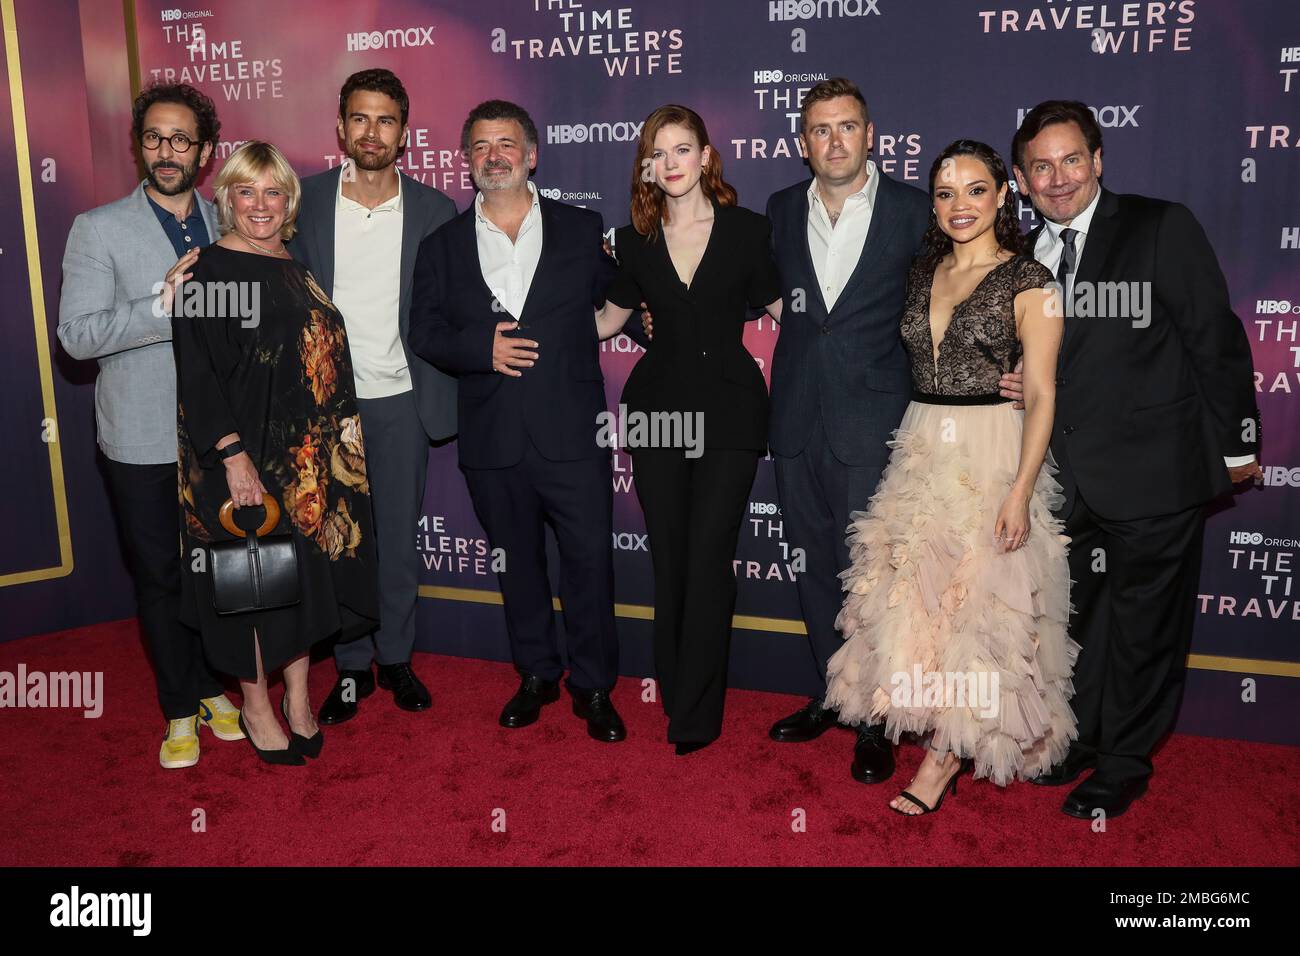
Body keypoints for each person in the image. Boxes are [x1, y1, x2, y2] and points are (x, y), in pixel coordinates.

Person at [759, 78, 1024, 783]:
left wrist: (1017, 362)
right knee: (815, 566)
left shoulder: (917, 209)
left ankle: (878, 718)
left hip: (877, 424)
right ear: (803, 140)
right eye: (820, 129)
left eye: (847, 126)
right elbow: (762, 291)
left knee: (882, 581)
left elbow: (981, 280)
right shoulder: (782, 209)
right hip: (794, 420)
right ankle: (832, 694)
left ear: (871, 135)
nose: (835, 140)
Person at [1010, 101, 1261, 819]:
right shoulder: (1023, 259)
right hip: (1064, 479)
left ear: (1098, 160)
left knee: (1147, 626)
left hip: (1156, 470)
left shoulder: (1158, 226)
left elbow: (1214, 336)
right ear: (1023, 180)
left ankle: (1124, 761)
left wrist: (1239, 443)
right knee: (1075, 622)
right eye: (1040, 167)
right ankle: (1080, 741)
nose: (1058, 179)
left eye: (1071, 160)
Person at [823, 140, 1072, 815]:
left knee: (983, 609)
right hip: (922, 443)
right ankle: (937, 729)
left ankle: (943, 758)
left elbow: (1043, 393)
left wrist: (1020, 491)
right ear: (931, 205)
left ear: (1002, 196)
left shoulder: (1031, 281)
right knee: (924, 601)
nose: (960, 205)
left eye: (975, 190)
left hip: (993, 450)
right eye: (945, 192)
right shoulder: (921, 272)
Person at [408, 100, 625, 742]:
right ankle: (536, 673)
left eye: (506, 143)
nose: (494, 155)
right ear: (467, 160)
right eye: (480, 146)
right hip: (493, 437)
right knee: (517, 564)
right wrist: (483, 350)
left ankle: (593, 685)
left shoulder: (582, 228)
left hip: (572, 434)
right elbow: (424, 330)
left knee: (588, 564)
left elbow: (622, 295)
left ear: (532, 154)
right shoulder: (442, 244)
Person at [171, 141, 380, 764]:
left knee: (300, 585)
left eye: (273, 192)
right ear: (226, 198)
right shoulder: (206, 272)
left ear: (288, 200)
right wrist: (233, 456)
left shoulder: (295, 263)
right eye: (246, 191)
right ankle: (256, 706)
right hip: (244, 457)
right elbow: (198, 375)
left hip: (306, 461)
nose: (260, 205)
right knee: (252, 590)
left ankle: (298, 700)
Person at [57, 82, 243, 769]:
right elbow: (77, 336)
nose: (168, 151)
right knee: (163, 575)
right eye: (155, 138)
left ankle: (211, 686)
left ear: (204, 151)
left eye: (182, 140)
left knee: (216, 571)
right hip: (141, 438)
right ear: (140, 144)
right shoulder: (98, 227)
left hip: (222, 438)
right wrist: (158, 304)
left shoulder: (230, 216)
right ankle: (178, 707)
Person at [594, 105, 782, 755]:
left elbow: (795, 312)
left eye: (683, 149)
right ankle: (674, 685)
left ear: (706, 156)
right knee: (671, 555)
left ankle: (697, 713)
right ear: (647, 166)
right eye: (659, 153)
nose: (672, 163)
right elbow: (604, 319)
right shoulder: (633, 240)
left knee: (708, 558)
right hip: (658, 412)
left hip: (730, 410)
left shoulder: (748, 232)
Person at [291, 69, 458, 724]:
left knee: (394, 538)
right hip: (325, 405)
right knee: (340, 542)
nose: (371, 132)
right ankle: (352, 667)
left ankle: (397, 659)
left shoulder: (434, 210)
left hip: (398, 401)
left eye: (385, 120)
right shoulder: (301, 203)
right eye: (360, 118)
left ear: (404, 133)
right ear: (341, 127)